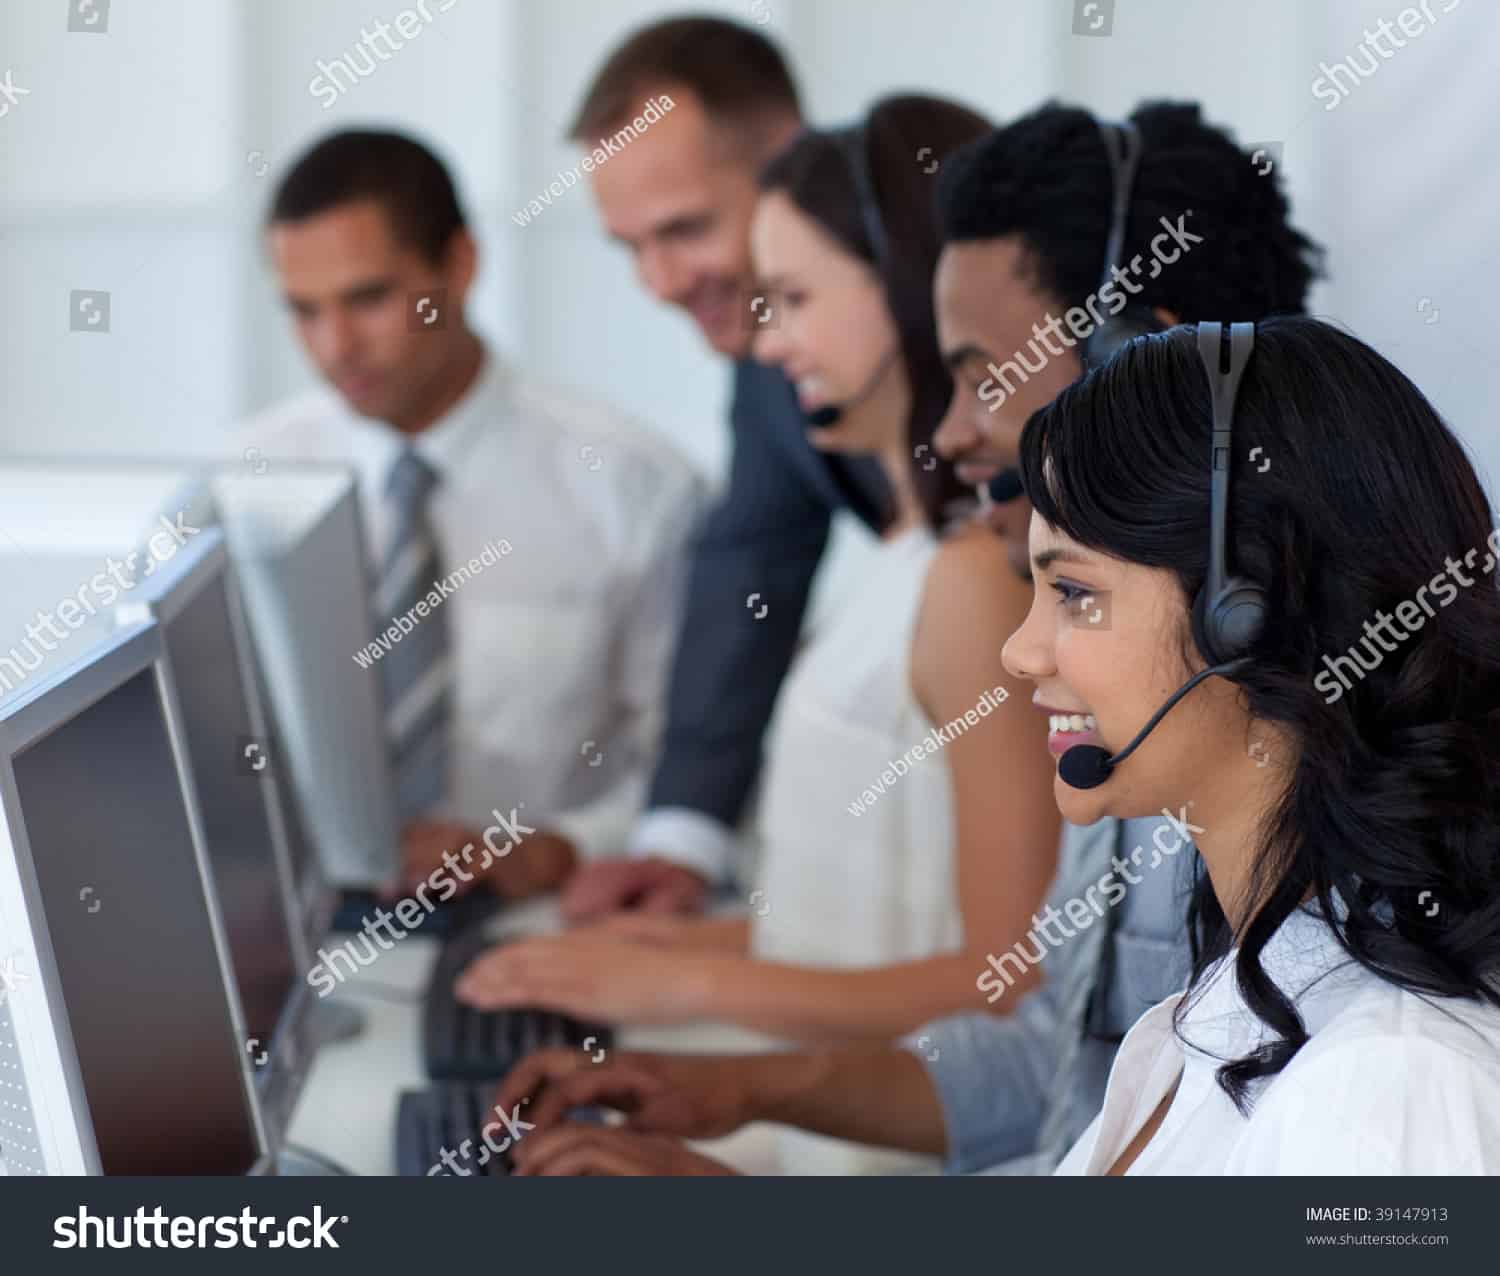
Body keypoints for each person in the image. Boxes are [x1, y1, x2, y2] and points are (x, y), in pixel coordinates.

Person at [483, 102, 1330, 1177]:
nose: (953, 429)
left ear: (1136, 357)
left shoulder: (1320, 828)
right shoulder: (1125, 723)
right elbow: (1052, 1070)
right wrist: (728, 1087)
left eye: (981, 375)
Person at [457, 104, 1062, 1174]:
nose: (765, 341)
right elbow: (882, 907)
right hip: (815, 1120)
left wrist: (688, 983)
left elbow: (1007, 978)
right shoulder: (896, 546)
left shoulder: (976, 581)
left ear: (909, 287)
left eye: (794, 299)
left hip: (881, 1151)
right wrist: (689, 945)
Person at [1007, 316, 1500, 1173]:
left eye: (1075, 593)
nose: (1020, 652)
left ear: (1247, 615)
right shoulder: (1233, 1009)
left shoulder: (1382, 1093)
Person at [240, 130, 705, 902]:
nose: (336, 346)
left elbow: (698, 764)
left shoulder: (633, 485)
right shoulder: (248, 483)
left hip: (540, 921)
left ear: (458, 265)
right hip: (301, 924)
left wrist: (559, 849)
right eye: (304, 311)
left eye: (369, 299)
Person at [554, 15, 902, 919]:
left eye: (685, 229)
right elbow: (752, 564)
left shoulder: (988, 324)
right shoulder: (768, 352)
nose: (661, 283)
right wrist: (680, 841)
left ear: (791, 162)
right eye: (631, 247)